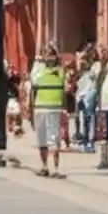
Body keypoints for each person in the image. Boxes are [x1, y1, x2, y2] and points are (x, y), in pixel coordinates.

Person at [28, 48, 66, 177]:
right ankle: (47, 167)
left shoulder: (43, 71)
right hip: (45, 108)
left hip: (49, 108)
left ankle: (53, 168)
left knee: (50, 139)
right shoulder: (58, 70)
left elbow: (33, 81)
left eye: (51, 55)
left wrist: (36, 65)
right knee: (46, 139)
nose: (49, 58)